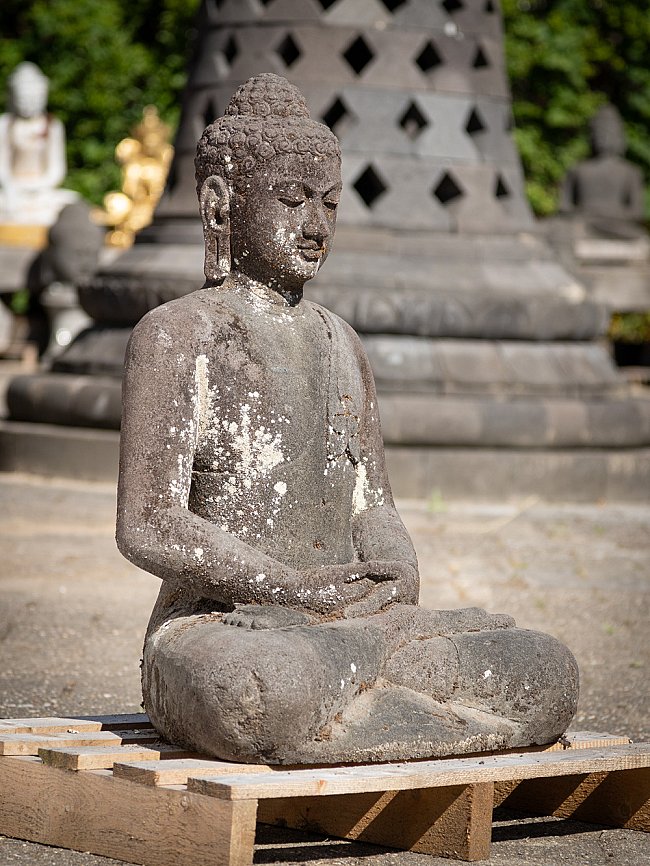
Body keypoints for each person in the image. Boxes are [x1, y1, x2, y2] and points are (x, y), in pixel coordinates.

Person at [116, 74, 578, 765]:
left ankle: (365, 698)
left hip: (351, 623)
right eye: (292, 200)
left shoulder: (341, 340)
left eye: (330, 203)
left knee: (546, 669)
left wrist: (393, 570)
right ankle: (388, 697)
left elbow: (373, 504)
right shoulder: (179, 334)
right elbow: (147, 523)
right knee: (264, 689)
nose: (316, 226)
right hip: (226, 625)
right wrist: (288, 587)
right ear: (220, 206)